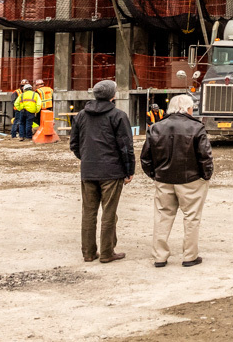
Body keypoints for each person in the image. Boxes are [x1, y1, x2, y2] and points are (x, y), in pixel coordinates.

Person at [139, 93, 213, 269]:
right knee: (191, 217)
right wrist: (206, 175)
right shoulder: (197, 127)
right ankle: (189, 256)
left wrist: (155, 175)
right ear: (188, 109)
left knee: (163, 216)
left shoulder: (156, 127)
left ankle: (160, 257)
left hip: (164, 179)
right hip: (191, 179)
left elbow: (145, 157)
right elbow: (205, 156)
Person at [69, 79, 135, 263]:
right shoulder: (118, 115)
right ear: (113, 95)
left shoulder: (82, 115)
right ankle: (107, 252)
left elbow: (74, 144)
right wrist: (129, 170)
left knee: (88, 212)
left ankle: (88, 253)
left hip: (89, 169)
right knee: (109, 211)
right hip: (112, 171)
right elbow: (125, 146)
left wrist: (87, 159)